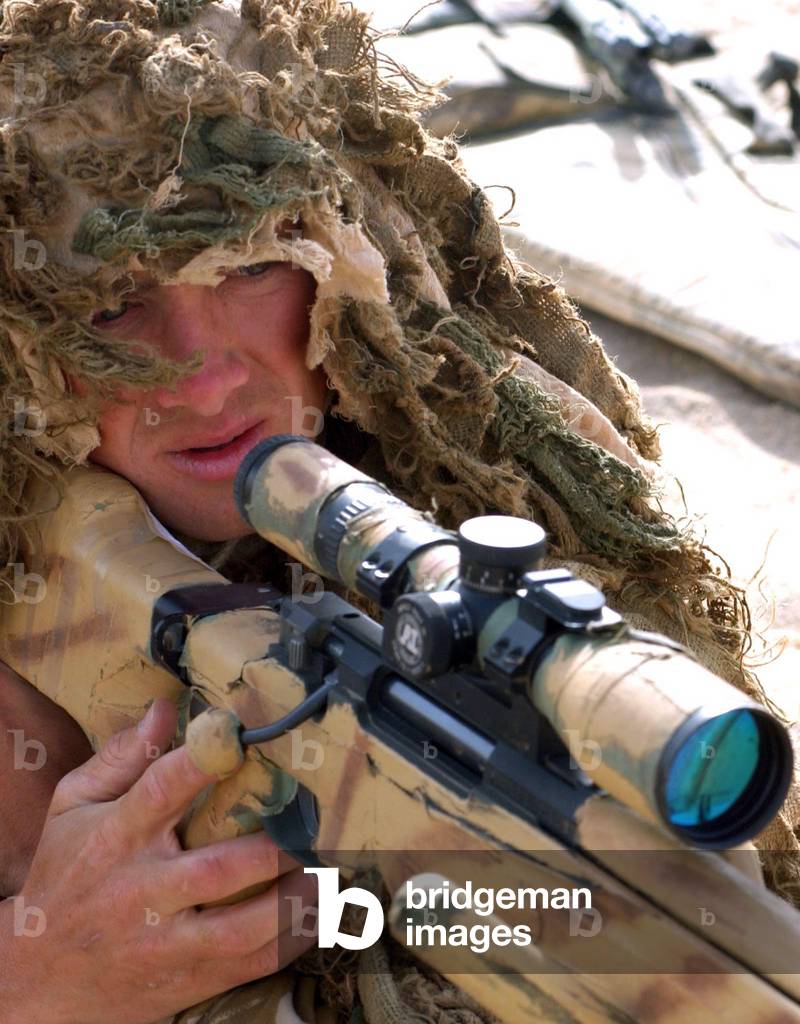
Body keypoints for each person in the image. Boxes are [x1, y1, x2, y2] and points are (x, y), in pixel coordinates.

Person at [0, 1, 797, 1022]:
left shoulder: (505, 463)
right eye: (111, 308)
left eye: (249, 266)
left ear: (348, 253)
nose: (201, 380)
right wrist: (39, 979)